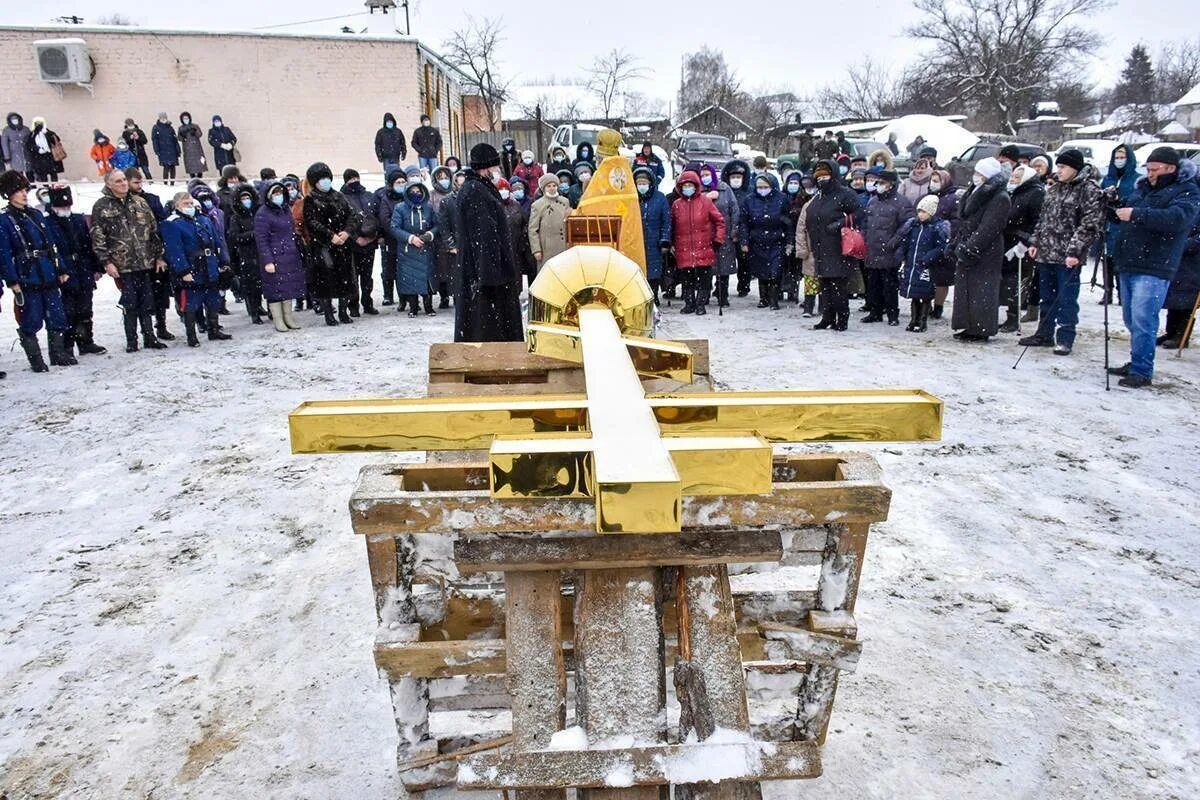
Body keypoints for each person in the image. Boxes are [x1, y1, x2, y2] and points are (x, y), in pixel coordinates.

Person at [1108, 148, 1200, 388]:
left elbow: (1177, 219)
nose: (1150, 174)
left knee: (1143, 318)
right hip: (1129, 260)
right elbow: (1126, 214)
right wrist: (1114, 209)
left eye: (1155, 169)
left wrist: (1136, 214)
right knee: (1130, 317)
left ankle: (1142, 370)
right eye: (1148, 169)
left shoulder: (1187, 191)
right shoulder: (1142, 190)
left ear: (1171, 168)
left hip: (1155, 264)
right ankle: (1136, 359)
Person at [1019, 149, 1102, 355]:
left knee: (1066, 299)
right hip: (1047, 252)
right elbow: (1044, 218)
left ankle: (1065, 337)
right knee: (1047, 297)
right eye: (1059, 167)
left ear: (1075, 168)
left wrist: (1074, 251)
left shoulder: (1088, 189)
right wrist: (1035, 241)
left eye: (1063, 167)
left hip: (1069, 256)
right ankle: (1044, 333)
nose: (1060, 171)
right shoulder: (1055, 188)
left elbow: (1090, 224)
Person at [0, 170, 73, 371]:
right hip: (27, 276)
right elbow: (4, 253)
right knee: (31, 319)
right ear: (8, 193)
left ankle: (57, 353)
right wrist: (12, 280)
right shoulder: (5, 220)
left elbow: (51, 244)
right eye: (18, 191)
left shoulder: (36, 215)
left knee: (56, 315)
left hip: (47, 271)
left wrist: (60, 268)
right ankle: (36, 359)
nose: (24, 194)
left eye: (25, 190)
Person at [89, 169, 169, 352]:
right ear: (109, 184)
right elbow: (98, 236)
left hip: (145, 260)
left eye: (124, 180)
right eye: (118, 181)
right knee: (130, 303)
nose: (123, 183)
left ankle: (150, 336)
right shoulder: (102, 206)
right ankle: (131, 340)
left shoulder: (140, 202)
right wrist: (106, 262)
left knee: (148, 300)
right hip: (122, 264)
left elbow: (153, 231)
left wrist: (159, 256)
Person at [451, 143, 524, 342]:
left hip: (486, 272)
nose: (498, 171)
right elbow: (483, 238)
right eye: (495, 167)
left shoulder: (479, 188)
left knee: (486, 325)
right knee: (488, 327)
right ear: (486, 168)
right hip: (487, 277)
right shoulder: (476, 191)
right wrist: (490, 279)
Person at [950, 157, 1011, 342]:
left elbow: (989, 227)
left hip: (986, 250)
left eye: (980, 173)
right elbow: (966, 220)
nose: (976, 176)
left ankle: (981, 328)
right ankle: (968, 325)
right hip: (968, 244)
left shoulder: (999, 197)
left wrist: (971, 247)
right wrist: (957, 244)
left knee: (983, 290)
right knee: (967, 289)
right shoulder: (975, 192)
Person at [162, 192, 232, 346]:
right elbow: (175, 250)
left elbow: (218, 241)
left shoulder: (203, 219)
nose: (189, 206)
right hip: (192, 267)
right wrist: (183, 271)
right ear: (177, 206)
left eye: (191, 203)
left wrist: (223, 261)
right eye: (185, 204)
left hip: (210, 265)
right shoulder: (173, 223)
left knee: (213, 299)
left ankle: (213, 329)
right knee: (191, 304)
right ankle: (191, 335)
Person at [45, 184, 106, 356]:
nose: (65, 209)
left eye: (67, 206)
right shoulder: (48, 223)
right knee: (68, 311)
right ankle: (67, 344)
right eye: (61, 206)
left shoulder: (78, 219)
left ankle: (86, 341)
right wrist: (59, 270)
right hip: (65, 270)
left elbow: (88, 244)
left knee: (85, 309)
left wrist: (96, 267)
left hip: (83, 268)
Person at [805, 160, 862, 331]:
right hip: (821, 246)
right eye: (819, 176)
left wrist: (840, 223)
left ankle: (842, 319)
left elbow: (860, 213)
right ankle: (827, 317)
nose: (822, 179)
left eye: (826, 176)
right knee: (826, 286)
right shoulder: (818, 196)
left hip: (838, 247)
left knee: (838, 287)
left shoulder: (845, 194)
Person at [302, 162, 357, 326]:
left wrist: (347, 232)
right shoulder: (311, 200)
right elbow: (311, 222)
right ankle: (328, 314)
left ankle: (343, 311)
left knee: (345, 279)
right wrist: (330, 235)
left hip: (343, 245)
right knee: (326, 280)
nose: (325, 181)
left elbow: (351, 215)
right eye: (321, 179)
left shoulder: (339, 196)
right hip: (323, 247)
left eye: (327, 177)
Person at [125, 167, 174, 341]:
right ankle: (138, 334)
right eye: (135, 182)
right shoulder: (122, 203)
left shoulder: (151, 200)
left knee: (160, 293)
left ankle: (161, 325)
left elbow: (160, 226)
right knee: (137, 297)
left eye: (140, 182)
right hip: (132, 258)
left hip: (154, 253)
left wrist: (161, 254)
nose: (139, 185)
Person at [670, 169, 725, 316]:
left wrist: (718, 240)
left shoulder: (705, 202)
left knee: (704, 278)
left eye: (690, 185)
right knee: (687, 279)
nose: (688, 188)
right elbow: (672, 226)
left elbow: (719, 221)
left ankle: (701, 304)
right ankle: (689, 303)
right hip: (684, 248)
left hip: (704, 246)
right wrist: (671, 243)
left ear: (696, 186)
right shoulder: (676, 204)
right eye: (684, 186)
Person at [862, 169, 914, 325]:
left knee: (890, 285)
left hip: (889, 251)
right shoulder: (872, 201)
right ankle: (875, 312)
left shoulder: (902, 202)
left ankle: (893, 314)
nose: (879, 186)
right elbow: (865, 222)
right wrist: (864, 237)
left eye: (882, 183)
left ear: (891, 184)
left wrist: (895, 241)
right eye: (878, 183)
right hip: (872, 249)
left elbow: (907, 225)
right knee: (873, 284)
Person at [254, 180, 305, 333]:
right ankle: (278, 319)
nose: (279, 197)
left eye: (280, 193)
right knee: (275, 289)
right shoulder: (262, 214)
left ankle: (288, 317)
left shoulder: (285, 210)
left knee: (288, 287)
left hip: (289, 254)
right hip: (274, 255)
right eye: (275, 194)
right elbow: (261, 239)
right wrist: (268, 260)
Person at [1000, 165, 1045, 332]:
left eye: (1017, 177)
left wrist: (1026, 242)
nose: (1013, 180)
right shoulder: (1015, 192)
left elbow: (1037, 221)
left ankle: (1014, 318)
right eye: (1012, 176)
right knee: (1008, 279)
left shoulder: (1035, 193)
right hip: (1008, 239)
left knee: (1017, 280)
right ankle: (1009, 314)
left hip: (1021, 242)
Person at [897, 194, 949, 332]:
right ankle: (913, 320)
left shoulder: (936, 228)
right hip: (913, 265)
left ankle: (922, 321)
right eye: (919, 211)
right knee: (914, 295)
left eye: (924, 212)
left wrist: (928, 257)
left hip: (925, 266)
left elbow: (940, 247)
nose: (920, 214)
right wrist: (901, 253)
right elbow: (906, 242)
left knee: (925, 295)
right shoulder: (914, 226)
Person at [740, 172, 789, 310]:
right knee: (761, 270)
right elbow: (744, 222)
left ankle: (774, 299)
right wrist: (744, 241)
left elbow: (788, 222)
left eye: (765, 186)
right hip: (757, 240)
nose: (762, 189)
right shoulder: (749, 200)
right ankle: (763, 298)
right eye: (759, 187)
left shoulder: (781, 199)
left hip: (777, 240)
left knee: (775, 271)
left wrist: (789, 241)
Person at [391, 178, 439, 317]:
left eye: (418, 191)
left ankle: (428, 306)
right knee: (410, 278)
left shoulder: (428, 208)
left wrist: (429, 235)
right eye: (412, 192)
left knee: (427, 277)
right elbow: (394, 228)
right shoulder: (400, 208)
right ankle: (413, 307)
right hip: (408, 249)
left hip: (425, 247)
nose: (416, 194)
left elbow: (437, 225)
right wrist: (410, 238)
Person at [1099, 144, 1139, 305]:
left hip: (1124, 224)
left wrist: (1119, 201)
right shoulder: (1108, 178)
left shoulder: (1135, 179)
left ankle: (1122, 293)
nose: (1119, 160)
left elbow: (1136, 199)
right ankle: (1107, 291)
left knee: (1119, 260)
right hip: (1107, 223)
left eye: (1122, 157)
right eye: (1117, 157)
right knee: (1106, 259)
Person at [340, 168, 380, 316]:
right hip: (352, 244)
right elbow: (343, 221)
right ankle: (353, 305)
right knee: (353, 276)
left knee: (367, 276)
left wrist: (372, 237)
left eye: (356, 177)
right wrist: (356, 238)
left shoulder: (368, 195)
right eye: (350, 179)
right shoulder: (342, 198)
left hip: (369, 242)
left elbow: (376, 217)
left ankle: (367, 302)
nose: (354, 181)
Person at [226, 185, 266, 324]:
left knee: (263, 284)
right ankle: (254, 311)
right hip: (247, 255)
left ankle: (260, 306)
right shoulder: (235, 218)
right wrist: (253, 234)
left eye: (248, 197)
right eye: (243, 198)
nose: (246, 200)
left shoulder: (258, 213)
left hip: (261, 253)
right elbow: (234, 237)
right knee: (251, 286)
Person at [701, 163, 740, 309]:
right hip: (705, 234)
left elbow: (734, 209)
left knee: (724, 267)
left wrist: (734, 230)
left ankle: (723, 295)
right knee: (706, 268)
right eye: (703, 175)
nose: (705, 178)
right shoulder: (699, 190)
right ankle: (704, 294)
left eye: (707, 174)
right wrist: (706, 197)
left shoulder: (725, 189)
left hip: (724, 234)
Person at [1160, 213, 1200, 350]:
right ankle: (1171, 332)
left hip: (1194, 262)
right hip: (1179, 260)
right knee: (1174, 298)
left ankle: (1182, 336)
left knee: (1188, 299)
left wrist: (1180, 244)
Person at [633, 167, 671, 302]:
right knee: (638, 270)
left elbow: (666, 221)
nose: (641, 186)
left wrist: (665, 239)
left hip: (654, 241)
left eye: (644, 183)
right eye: (639, 183)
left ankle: (653, 295)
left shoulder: (660, 198)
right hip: (636, 241)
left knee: (654, 271)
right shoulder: (632, 198)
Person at [374, 168, 407, 307]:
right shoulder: (386, 199)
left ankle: (404, 297)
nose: (401, 185)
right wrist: (397, 231)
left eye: (403, 182)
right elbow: (385, 219)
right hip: (390, 239)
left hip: (406, 239)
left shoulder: (408, 196)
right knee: (388, 268)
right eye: (398, 182)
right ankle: (388, 294)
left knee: (403, 269)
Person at [928, 168, 958, 318]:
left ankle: (938, 306)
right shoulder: (928, 196)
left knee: (942, 278)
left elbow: (956, 222)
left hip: (944, 242)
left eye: (936, 181)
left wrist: (943, 230)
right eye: (932, 180)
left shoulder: (952, 199)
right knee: (928, 276)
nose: (933, 184)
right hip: (928, 241)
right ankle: (926, 303)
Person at [721, 159, 752, 297]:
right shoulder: (723, 191)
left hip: (744, 231)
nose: (736, 180)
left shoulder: (749, 192)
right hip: (727, 231)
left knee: (744, 260)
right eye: (733, 177)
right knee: (723, 260)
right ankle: (721, 287)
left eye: (738, 177)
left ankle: (744, 285)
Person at [528, 173, 571, 273]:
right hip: (546, 248)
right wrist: (536, 250)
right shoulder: (537, 205)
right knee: (547, 273)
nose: (552, 188)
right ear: (544, 188)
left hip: (563, 247)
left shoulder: (565, 202)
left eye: (554, 186)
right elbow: (532, 230)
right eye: (549, 186)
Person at [434, 168, 463, 309]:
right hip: (455, 245)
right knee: (455, 276)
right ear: (455, 184)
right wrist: (451, 244)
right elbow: (443, 225)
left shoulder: (473, 199)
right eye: (460, 183)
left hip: (470, 244)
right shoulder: (447, 202)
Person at [497, 178, 536, 286]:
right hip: (501, 249)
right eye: (501, 189)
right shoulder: (494, 206)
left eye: (505, 188)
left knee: (517, 277)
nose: (503, 191)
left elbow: (524, 224)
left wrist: (522, 240)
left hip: (517, 247)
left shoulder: (516, 206)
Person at [26, 117, 62, 182]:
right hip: (39, 158)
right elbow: (29, 145)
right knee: (42, 175)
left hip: (50, 156)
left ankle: (55, 187)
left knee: (53, 173)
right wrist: (38, 149)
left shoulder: (48, 133)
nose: (39, 125)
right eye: (37, 124)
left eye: (40, 123)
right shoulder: (32, 135)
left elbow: (57, 140)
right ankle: (46, 187)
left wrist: (50, 146)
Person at [151, 112, 180, 185]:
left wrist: (178, 149)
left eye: (165, 118)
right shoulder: (156, 127)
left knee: (173, 166)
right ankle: (165, 183)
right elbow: (154, 140)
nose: (163, 119)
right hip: (163, 150)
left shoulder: (170, 127)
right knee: (166, 166)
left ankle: (172, 182)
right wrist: (156, 150)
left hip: (172, 149)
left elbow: (175, 140)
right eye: (162, 118)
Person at [3, 113, 32, 178]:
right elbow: (4, 144)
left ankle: (32, 186)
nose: (15, 121)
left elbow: (31, 141)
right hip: (14, 155)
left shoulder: (26, 129)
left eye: (16, 119)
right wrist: (7, 156)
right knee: (18, 174)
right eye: (13, 119)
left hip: (26, 154)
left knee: (30, 173)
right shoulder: (6, 131)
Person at [178, 112, 207, 178]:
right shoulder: (181, 128)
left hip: (197, 148)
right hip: (188, 150)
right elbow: (179, 138)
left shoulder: (195, 126)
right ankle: (192, 177)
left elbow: (200, 134)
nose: (186, 120)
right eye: (184, 118)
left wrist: (195, 132)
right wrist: (182, 135)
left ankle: (200, 177)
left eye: (187, 118)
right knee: (190, 165)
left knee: (200, 164)